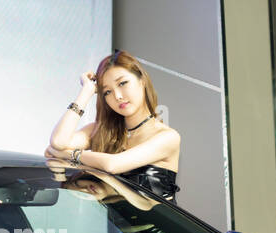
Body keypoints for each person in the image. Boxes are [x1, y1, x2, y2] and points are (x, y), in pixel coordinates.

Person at [44, 50, 180, 203]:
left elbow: (112, 165)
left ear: (142, 81)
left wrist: (68, 155)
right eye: (107, 91)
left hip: (154, 225)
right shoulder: (101, 130)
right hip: (112, 225)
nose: (117, 96)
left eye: (123, 83)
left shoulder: (167, 137)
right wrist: (86, 91)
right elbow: (58, 142)